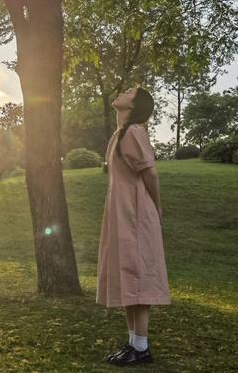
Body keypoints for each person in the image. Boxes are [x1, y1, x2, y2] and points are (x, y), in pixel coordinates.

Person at [95, 85, 171, 366]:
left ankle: (142, 347)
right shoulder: (120, 134)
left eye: (129, 91)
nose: (123, 91)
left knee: (138, 275)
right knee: (128, 274)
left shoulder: (134, 132)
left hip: (137, 214)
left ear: (135, 104)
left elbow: (151, 174)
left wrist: (157, 207)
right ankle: (133, 344)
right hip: (123, 214)